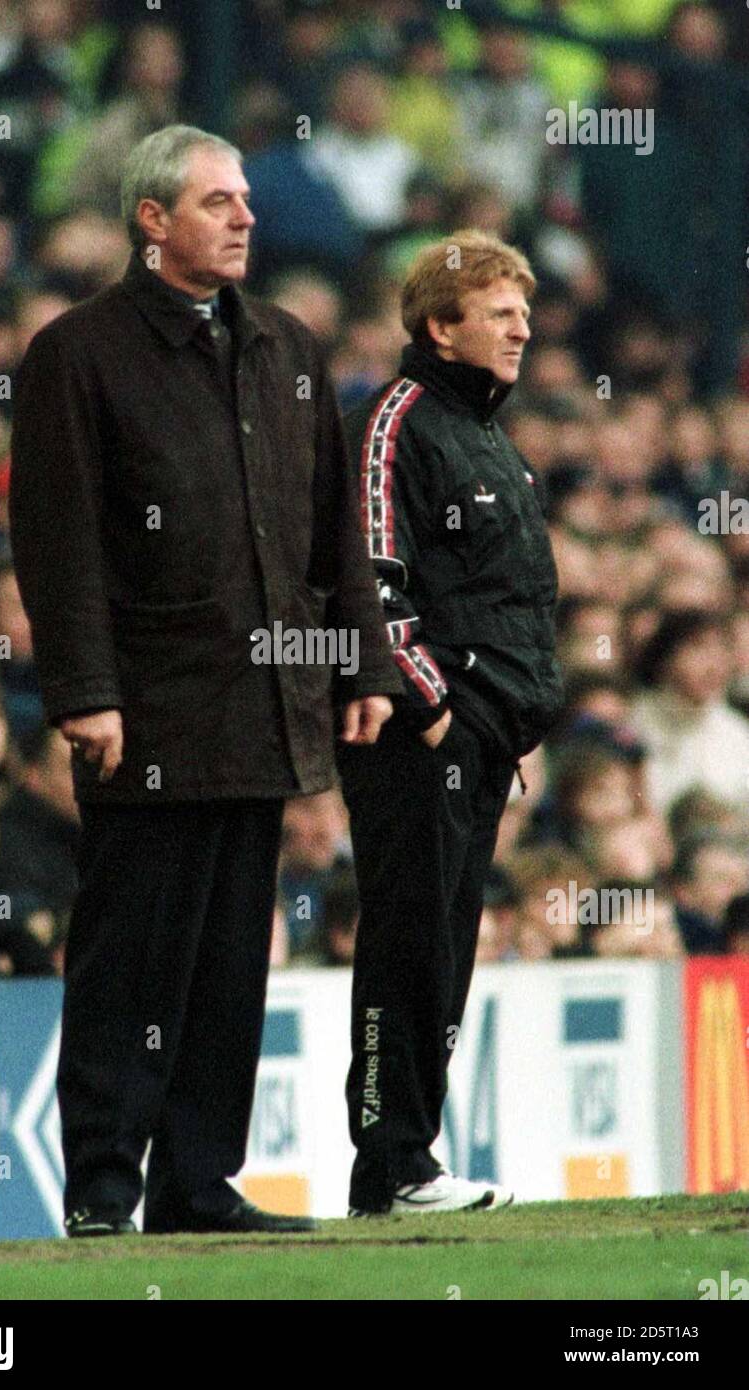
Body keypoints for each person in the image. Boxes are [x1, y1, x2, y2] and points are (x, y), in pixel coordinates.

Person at [9, 124, 398, 1237]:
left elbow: (335, 529)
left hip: (266, 704)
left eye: (243, 201)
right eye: (218, 201)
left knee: (232, 962)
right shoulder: (77, 353)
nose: (245, 217)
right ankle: (98, 1188)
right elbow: (58, 539)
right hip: (148, 705)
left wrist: (359, 661)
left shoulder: (288, 345)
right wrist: (83, 688)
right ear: (151, 219)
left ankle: (195, 1182)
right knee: (132, 958)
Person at [338, 230, 564, 1215]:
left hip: (482, 741)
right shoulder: (394, 420)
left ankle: (408, 1160)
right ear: (439, 324)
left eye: (524, 310)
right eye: (500, 312)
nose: (523, 328)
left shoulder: (487, 437)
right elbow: (373, 573)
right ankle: (390, 1163)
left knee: (448, 941)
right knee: (407, 936)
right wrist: (430, 705)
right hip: (422, 735)